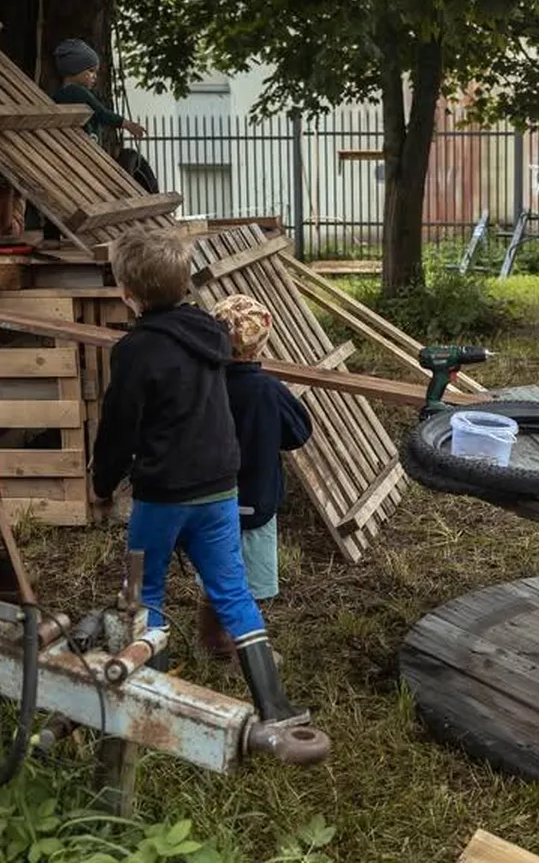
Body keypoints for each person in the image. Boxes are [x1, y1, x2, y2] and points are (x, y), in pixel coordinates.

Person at [90, 228, 313, 733]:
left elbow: (119, 424)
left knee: (144, 589)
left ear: (128, 291)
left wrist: (103, 481)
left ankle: (157, 697)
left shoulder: (137, 350)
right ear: (184, 281)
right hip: (220, 487)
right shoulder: (212, 335)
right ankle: (276, 708)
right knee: (233, 588)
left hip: (164, 493)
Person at [196, 293, 313, 659]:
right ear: (261, 343)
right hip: (256, 500)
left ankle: (211, 641)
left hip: (209, 500)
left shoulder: (201, 386)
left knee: (214, 575)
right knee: (249, 585)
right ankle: (245, 653)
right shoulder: (267, 390)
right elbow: (299, 433)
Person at [51, 39, 147, 141]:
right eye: (91, 71)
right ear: (74, 69)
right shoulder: (76, 92)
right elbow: (102, 113)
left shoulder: (61, 94)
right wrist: (127, 124)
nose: (95, 76)